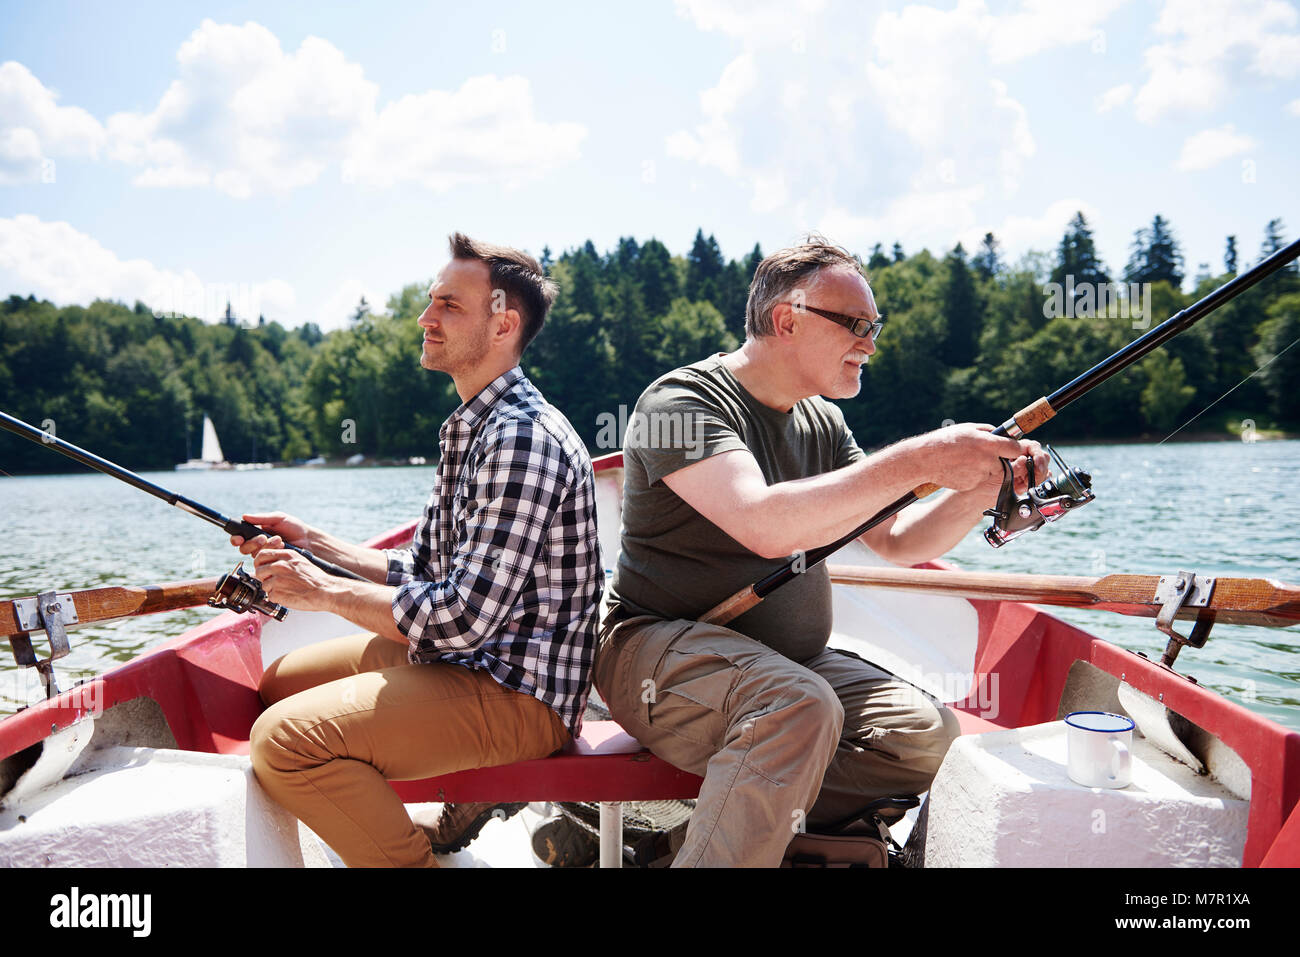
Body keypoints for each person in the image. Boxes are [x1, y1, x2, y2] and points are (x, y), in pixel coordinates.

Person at [595, 235, 1049, 867]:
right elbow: (762, 524)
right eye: (857, 325)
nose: (871, 342)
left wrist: (979, 487)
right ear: (787, 319)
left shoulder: (823, 421)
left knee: (923, 736)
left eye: (875, 326)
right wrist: (921, 458)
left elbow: (897, 540)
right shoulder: (679, 404)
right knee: (797, 707)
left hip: (785, 665)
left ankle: (681, 848)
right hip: (652, 653)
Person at [232, 233, 603, 867]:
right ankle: (405, 810)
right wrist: (314, 542)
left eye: (448, 306)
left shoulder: (519, 438)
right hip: (469, 659)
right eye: (432, 301)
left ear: (503, 323)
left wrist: (321, 592)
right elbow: (426, 571)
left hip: (518, 691)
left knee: (284, 741)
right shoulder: (473, 425)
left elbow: (458, 618)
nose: (425, 318)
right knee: (278, 687)